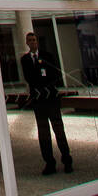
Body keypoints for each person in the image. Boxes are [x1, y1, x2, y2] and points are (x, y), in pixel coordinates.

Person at [21, 32, 73, 176]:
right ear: (27, 43)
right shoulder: (25, 59)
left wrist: (44, 84)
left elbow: (54, 74)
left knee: (59, 130)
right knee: (43, 133)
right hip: (38, 101)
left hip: (51, 99)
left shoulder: (47, 56)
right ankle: (49, 162)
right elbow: (29, 78)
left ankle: (67, 160)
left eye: (34, 40)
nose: (32, 42)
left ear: (38, 41)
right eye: (30, 40)